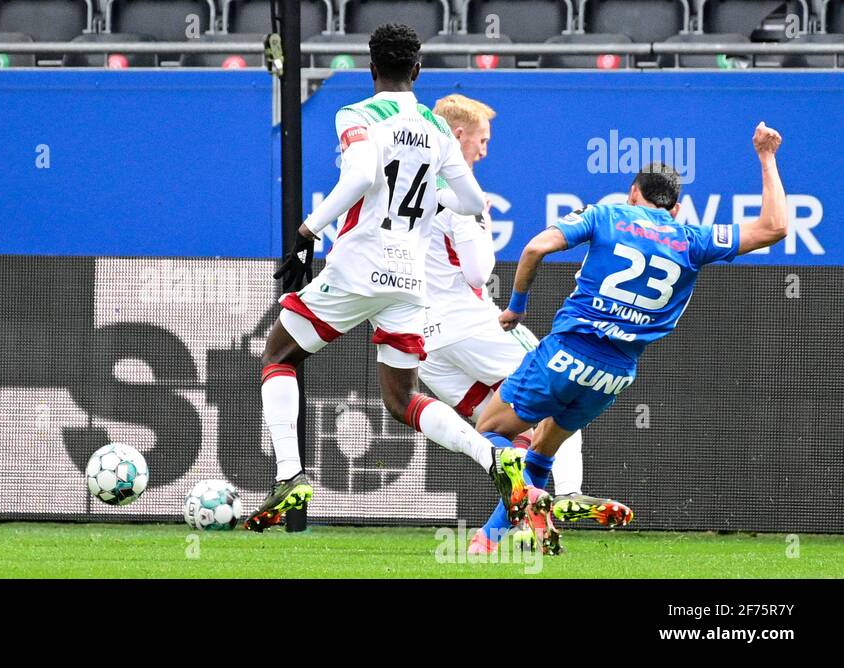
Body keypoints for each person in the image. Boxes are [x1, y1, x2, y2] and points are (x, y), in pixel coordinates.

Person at [247, 24, 518, 531]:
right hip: (409, 276)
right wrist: (431, 192)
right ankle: (493, 458)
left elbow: (362, 175)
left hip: (359, 263)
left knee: (278, 355)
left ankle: (290, 476)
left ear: (371, 69)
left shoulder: (358, 114)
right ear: (417, 71)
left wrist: (308, 230)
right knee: (400, 400)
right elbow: (473, 202)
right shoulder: (437, 131)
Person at [471, 123, 787, 553]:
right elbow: (775, 227)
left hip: (568, 351)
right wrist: (767, 157)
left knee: (487, 430)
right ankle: (487, 543)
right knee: (543, 449)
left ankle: (530, 499)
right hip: (615, 373)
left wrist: (517, 306)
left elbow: (533, 249)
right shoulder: (692, 239)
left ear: (632, 193)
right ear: (675, 209)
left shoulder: (608, 215)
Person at [414, 93, 610, 556]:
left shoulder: (411, 184)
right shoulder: (460, 193)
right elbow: (480, 274)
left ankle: (497, 535)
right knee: (566, 397)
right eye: (481, 140)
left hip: (424, 346)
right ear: (457, 136)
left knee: (497, 427)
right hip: (469, 324)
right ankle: (564, 497)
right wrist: (479, 220)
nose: (484, 150)